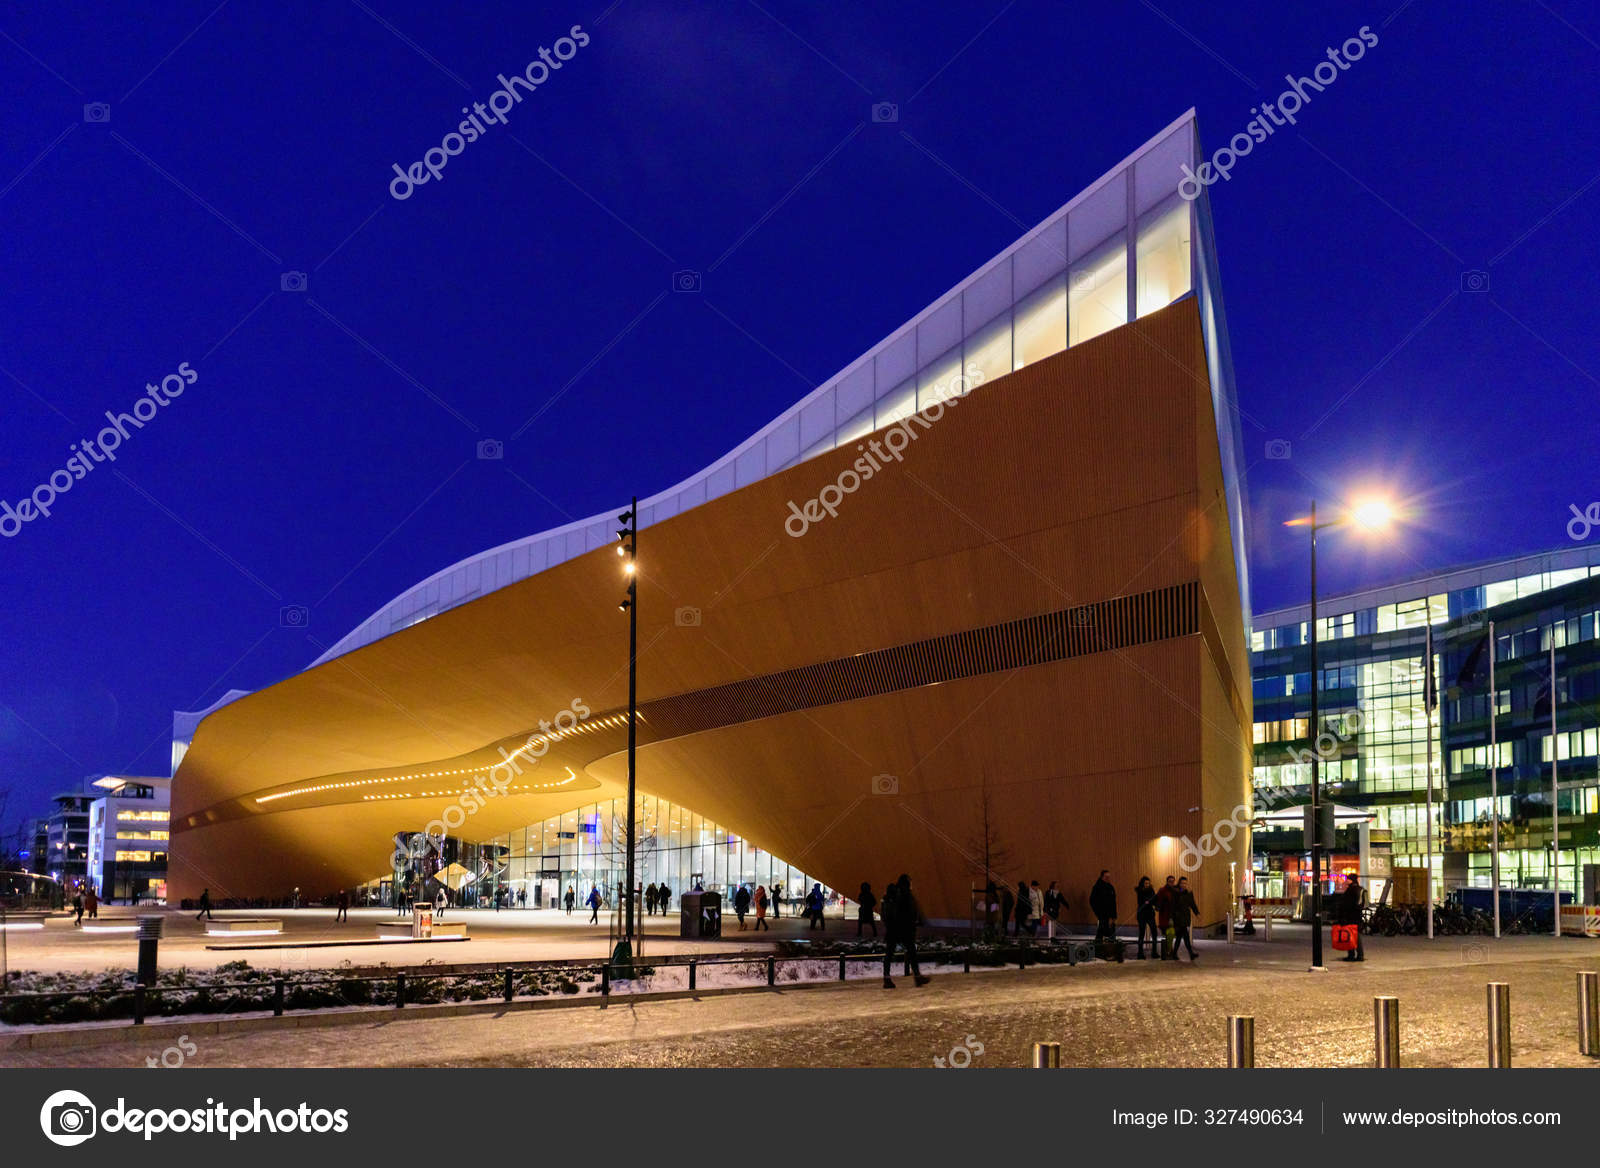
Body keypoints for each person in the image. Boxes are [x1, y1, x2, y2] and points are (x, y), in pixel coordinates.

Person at [882, 874, 930, 989]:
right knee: (911, 952)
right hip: (904, 929)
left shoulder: (896, 893)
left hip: (894, 929)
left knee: (890, 952)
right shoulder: (905, 894)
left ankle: (887, 978)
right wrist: (917, 921)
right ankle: (917, 977)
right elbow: (911, 910)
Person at [1336, 874, 1366, 962]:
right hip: (1357, 916)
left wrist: (1342, 914)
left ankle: (1353, 955)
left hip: (1350, 916)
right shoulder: (1359, 889)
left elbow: (1347, 904)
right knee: (1355, 936)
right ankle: (1358, 955)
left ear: (1351, 880)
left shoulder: (1351, 890)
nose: (1346, 880)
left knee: (1352, 937)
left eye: (1348, 879)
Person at [1170, 876, 1199, 961]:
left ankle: (1175, 954)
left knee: (1179, 937)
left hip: (1185, 917)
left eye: (1185, 883)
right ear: (1179, 883)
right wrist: (1171, 917)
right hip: (1178, 918)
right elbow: (1172, 906)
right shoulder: (1175, 892)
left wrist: (1197, 913)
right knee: (1185, 935)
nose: (1184, 885)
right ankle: (1191, 954)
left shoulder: (1189, 893)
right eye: (1182, 883)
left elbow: (1192, 904)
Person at [1133, 876, 1158, 959]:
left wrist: (1156, 905)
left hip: (1150, 914)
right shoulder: (1140, 891)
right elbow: (1142, 901)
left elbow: (1154, 900)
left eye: (1148, 883)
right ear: (1142, 883)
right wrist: (1147, 901)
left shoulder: (1151, 890)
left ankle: (1154, 952)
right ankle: (1140, 953)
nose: (1147, 884)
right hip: (1142, 914)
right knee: (1142, 933)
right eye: (1146, 883)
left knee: (1154, 932)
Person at [1090, 869, 1117, 941]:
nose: (1108, 878)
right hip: (1102, 915)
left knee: (1111, 932)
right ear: (1102, 877)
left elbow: (1113, 903)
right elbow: (1092, 901)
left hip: (1111, 915)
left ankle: (1112, 948)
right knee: (1101, 932)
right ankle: (1098, 948)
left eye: (1109, 877)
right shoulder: (1097, 887)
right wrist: (1098, 913)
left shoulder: (1111, 887)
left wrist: (1114, 916)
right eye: (1106, 877)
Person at [1155, 875, 1176, 959]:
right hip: (1164, 916)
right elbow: (1158, 901)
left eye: (1173, 881)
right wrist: (1158, 906)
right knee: (1166, 934)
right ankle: (1167, 951)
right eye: (1170, 881)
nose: (1171, 883)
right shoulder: (1162, 890)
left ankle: (1170, 950)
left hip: (1172, 916)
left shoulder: (1175, 890)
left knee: (1171, 933)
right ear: (1167, 881)